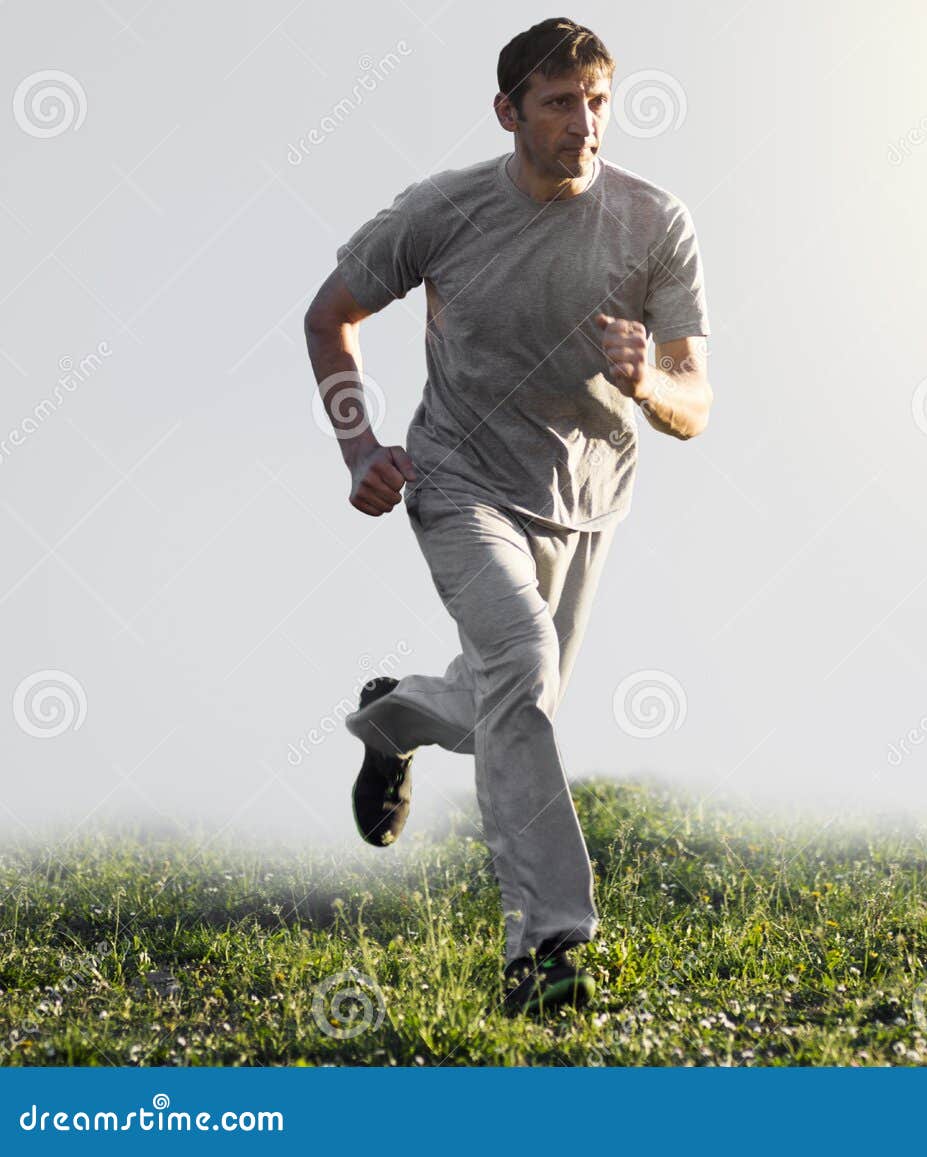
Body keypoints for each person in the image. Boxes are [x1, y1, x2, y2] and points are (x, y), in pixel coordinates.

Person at [301, 17, 712, 1014]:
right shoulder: (442, 213)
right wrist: (361, 448)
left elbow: (694, 404)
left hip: (585, 500)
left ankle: (390, 715)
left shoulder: (655, 222)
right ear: (509, 112)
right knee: (521, 676)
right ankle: (551, 944)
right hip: (456, 482)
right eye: (560, 103)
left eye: (599, 102)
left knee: (510, 710)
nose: (585, 123)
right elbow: (330, 316)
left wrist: (645, 379)